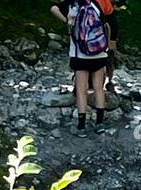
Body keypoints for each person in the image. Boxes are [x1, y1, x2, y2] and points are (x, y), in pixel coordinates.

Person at [49, 0, 110, 133]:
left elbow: (53, 9)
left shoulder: (71, 4)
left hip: (79, 54)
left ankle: (81, 126)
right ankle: (99, 123)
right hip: (99, 53)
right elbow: (106, 26)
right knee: (99, 89)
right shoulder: (97, 3)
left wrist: (66, 20)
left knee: (81, 91)